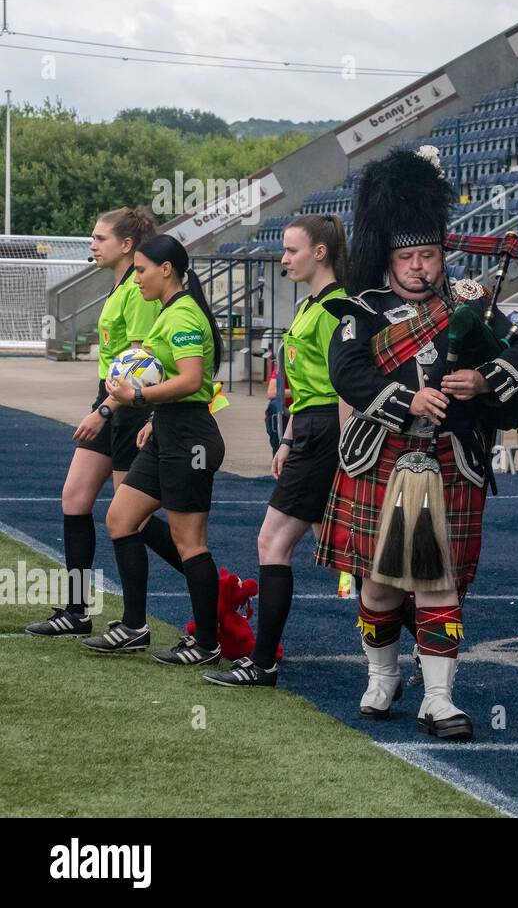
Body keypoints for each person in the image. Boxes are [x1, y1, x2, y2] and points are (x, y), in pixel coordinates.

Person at [314, 149, 518, 741]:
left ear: (443, 256)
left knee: (440, 580)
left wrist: (484, 379)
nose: (420, 267)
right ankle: (382, 676)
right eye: (409, 257)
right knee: (381, 582)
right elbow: (348, 373)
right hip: (382, 456)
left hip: (448, 461)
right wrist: (408, 400)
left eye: (429, 255)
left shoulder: (470, 309)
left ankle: (440, 699)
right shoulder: (359, 311)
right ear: (388, 259)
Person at [27, 207, 188, 638]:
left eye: (100, 238)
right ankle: (77, 610)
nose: (93, 245)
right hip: (110, 397)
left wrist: (105, 411)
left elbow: (141, 366)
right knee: (75, 498)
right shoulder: (120, 285)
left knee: (126, 516)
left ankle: (198, 582)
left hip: (127, 405)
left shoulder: (137, 291)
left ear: (126, 244)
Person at [204, 215, 350, 688]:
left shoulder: (335, 308)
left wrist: (346, 445)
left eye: (292, 250)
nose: (284, 258)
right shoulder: (314, 304)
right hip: (308, 429)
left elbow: (345, 383)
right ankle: (264, 661)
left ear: (320, 253)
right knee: (345, 552)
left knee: (279, 542)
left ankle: (263, 662)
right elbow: (303, 386)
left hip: (325, 430)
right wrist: (287, 437)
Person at [83, 234, 227, 666]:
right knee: (121, 519)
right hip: (167, 429)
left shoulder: (182, 314)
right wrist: (151, 419)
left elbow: (190, 380)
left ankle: (206, 644)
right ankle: (133, 627)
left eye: (142, 269)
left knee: (189, 542)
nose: (138, 278)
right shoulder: (169, 312)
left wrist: (139, 399)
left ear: (167, 269)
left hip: (190, 438)